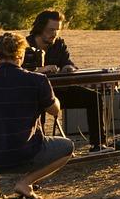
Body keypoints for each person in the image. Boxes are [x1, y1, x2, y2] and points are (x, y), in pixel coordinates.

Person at [0, 32, 75, 199]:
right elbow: (54, 110)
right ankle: (25, 183)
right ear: (21, 53)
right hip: (23, 154)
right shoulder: (37, 80)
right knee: (67, 147)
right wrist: (54, 97)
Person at [23, 9, 102, 151]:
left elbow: (68, 62)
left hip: (56, 93)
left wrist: (68, 67)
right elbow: (16, 72)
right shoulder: (23, 45)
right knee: (35, 109)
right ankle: (36, 148)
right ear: (40, 28)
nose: (54, 33)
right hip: (31, 96)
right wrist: (41, 70)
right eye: (50, 29)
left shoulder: (59, 44)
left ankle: (98, 144)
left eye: (57, 30)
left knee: (93, 97)